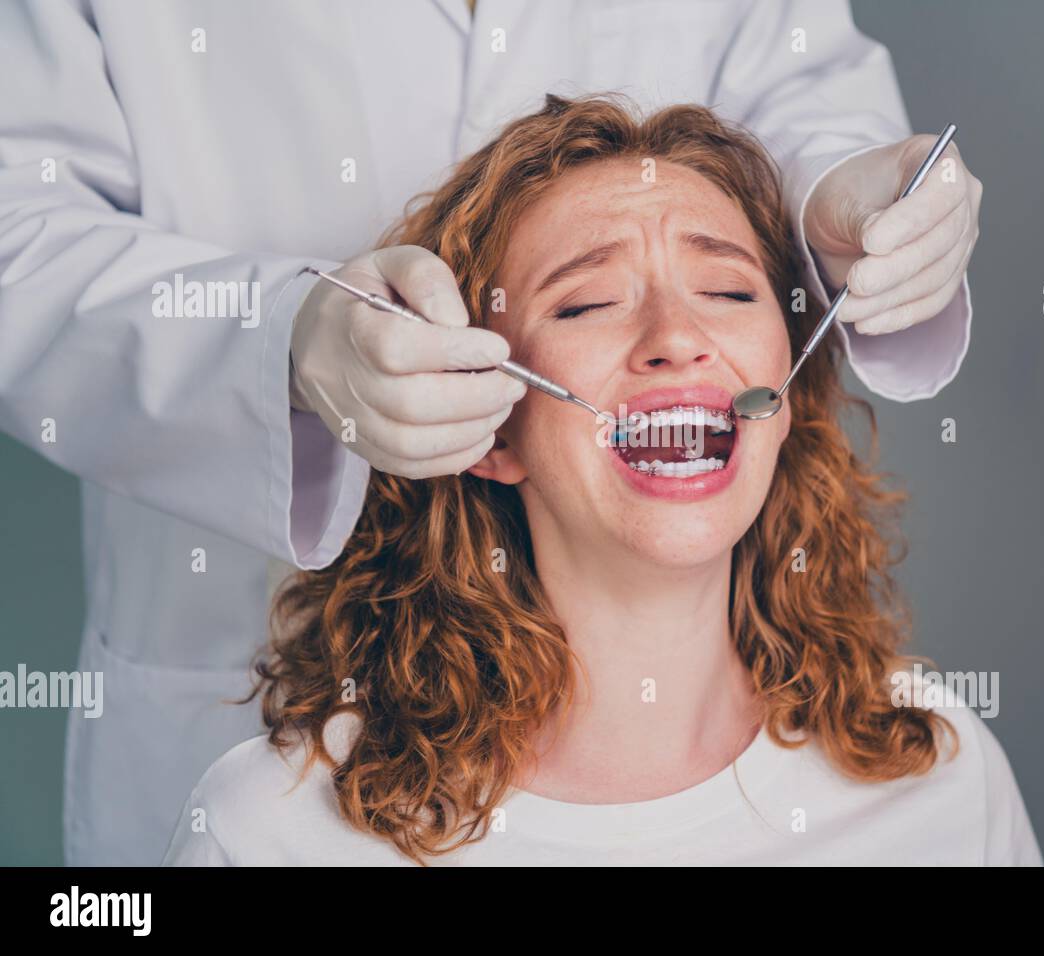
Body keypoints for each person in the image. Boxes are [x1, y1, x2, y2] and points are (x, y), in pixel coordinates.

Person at [0, 0, 981, 865]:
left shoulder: (942, 791)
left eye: (728, 287)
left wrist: (847, 194)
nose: (677, 341)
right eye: (589, 301)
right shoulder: (261, 829)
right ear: (493, 423)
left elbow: (799, 75)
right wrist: (277, 342)